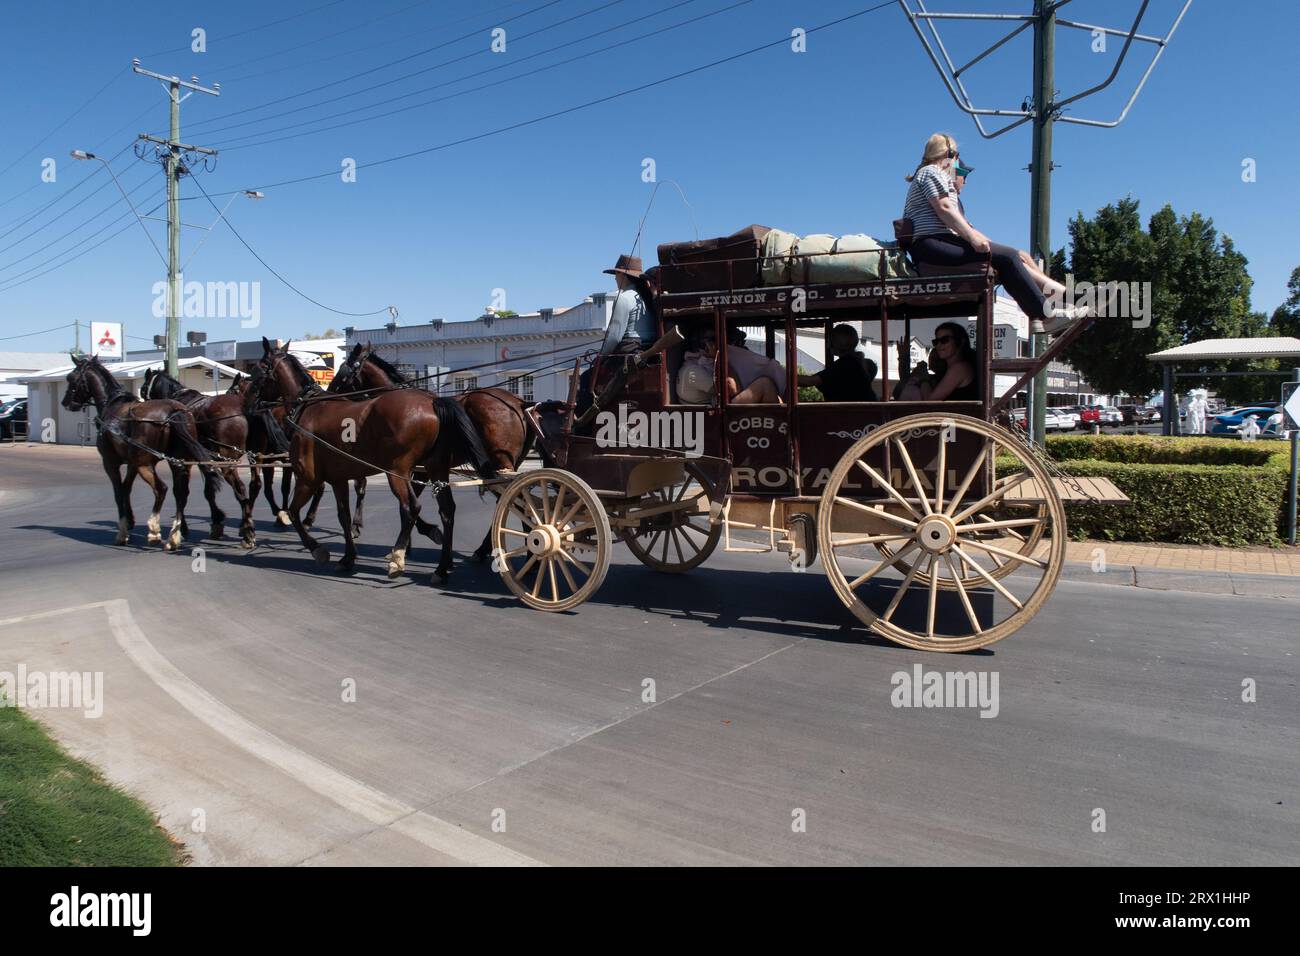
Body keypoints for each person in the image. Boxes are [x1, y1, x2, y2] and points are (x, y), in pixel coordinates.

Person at [902, 132, 1088, 335]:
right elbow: (944, 208)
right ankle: (1047, 314)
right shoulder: (932, 172)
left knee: (1008, 257)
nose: (956, 164)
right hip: (932, 243)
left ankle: (1044, 311)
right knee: (1007, 256)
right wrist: (973, 239)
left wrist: (984, 241)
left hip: (936, 242)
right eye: (956, 156)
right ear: (950, 153)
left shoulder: (930, 174)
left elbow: (954, 217)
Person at [577, 254, 652, 413]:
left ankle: (583, 424)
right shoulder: (647, 298)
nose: (615, 279)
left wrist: (601, 356)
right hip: (647, 352)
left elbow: (614, 336)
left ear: (622, 275)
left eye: (616, 275)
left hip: (628, 352)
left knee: (585, 377)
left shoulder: (624, 298)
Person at [897, 321, 978, 401]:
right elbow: (904, 381)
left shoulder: (960, 368)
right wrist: (903, 358)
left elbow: (930, 401)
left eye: (944, 340)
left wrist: (924, 377)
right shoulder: (946, 371)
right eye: (936, 342)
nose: (938, 345)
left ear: (960, 341)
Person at [798, 324, 877, 401]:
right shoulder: (865, 364)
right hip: (867, 412)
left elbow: (809, 381)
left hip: (850, 413)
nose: (827, 345)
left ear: (835, 343)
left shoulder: (844, 365)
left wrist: (786, 377)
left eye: (829, 341)